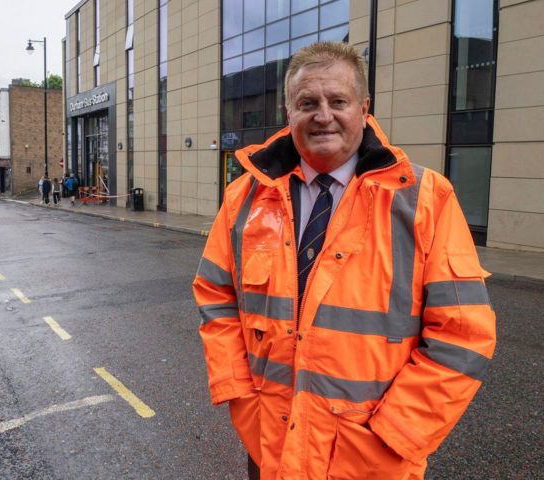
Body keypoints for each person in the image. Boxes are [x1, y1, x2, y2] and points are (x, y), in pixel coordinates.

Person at [192, 42, 496, 480]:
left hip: (370, 460)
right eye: (307, 103)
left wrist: (394, 436)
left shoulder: (425, 200)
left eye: (338, 101)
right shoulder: (245, 197)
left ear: (364, 108)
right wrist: (240, 393)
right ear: (288, 111)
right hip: (270, 447)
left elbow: (463, 335)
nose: (322, 115)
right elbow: (215, 295)